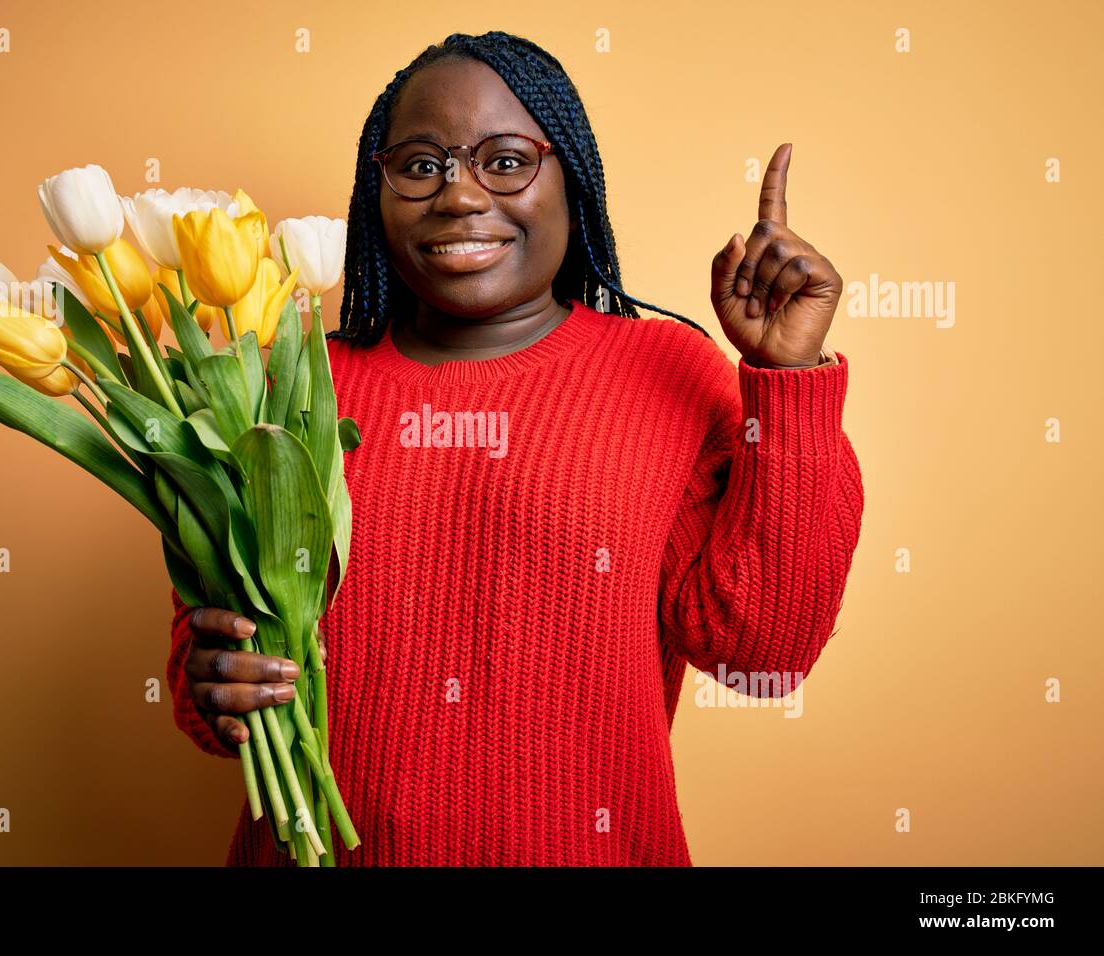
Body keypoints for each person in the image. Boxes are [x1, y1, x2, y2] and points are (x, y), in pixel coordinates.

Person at [166, 30, 864, 866]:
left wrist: (788, 381)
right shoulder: (288, 380)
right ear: (375, 189)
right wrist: (211, 687)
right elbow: (208, 661)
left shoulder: (666, 376)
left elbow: (766, 655)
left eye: (505, 161)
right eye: (422, 165)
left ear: (571, 180)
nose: (459, 196)